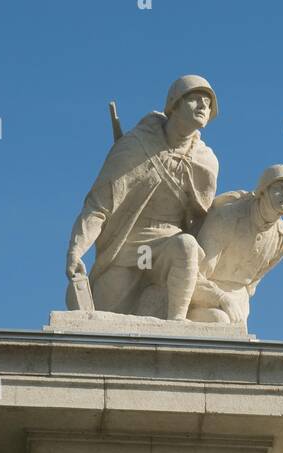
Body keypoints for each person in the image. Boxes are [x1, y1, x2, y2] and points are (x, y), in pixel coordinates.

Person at [65, 75, 219, 320]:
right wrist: (76, 251)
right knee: (104, 314)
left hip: (168, 243)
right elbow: (99, 206)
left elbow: (202, 223)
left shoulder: (206, 160)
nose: (203, 106)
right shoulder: (135, 145)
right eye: (194, 99)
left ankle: (177, 326)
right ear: (174, 104)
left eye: (208, 103)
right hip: (127, 244)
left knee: (187, 246)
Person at [188, 165, 283, 327]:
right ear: (263, 191)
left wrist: (235, 302)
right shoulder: (227, 218)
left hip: (238, 303)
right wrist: (221, 299)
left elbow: (252, 283)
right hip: (199, 297)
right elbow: (192, 275)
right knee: (220, 322)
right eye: (280, 188)